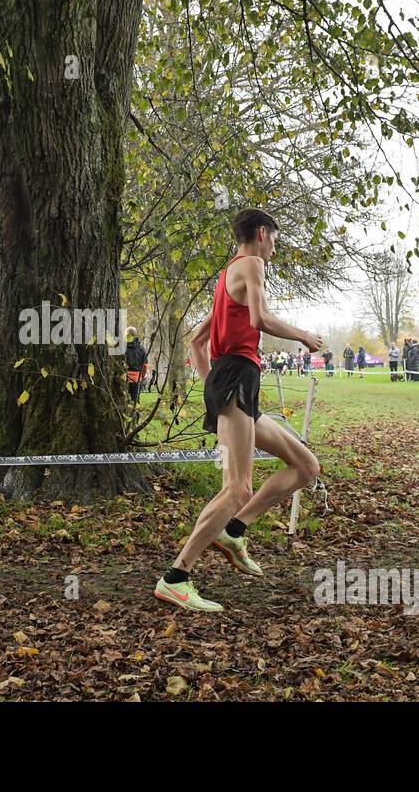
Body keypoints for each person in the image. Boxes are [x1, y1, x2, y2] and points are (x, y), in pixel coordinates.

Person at [154, 209, 322, 612]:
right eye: (275, 242)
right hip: (235, 380)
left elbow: (197, 342)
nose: (274, 251)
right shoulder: (251, 264)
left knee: (306, 467)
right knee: (237, 488)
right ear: (262, 234)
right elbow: (261, 318)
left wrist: (213, 386)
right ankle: (176, 577)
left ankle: (234, 530)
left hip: (236, 384)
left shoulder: (228, 280)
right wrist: (302, 336)